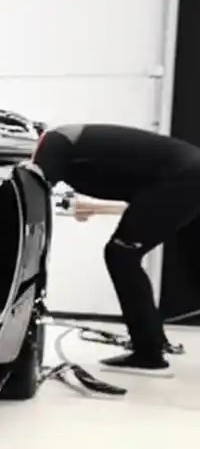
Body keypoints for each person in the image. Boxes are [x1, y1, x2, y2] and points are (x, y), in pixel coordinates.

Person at [29, 124, 200, 375]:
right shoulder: (74, 141)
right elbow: (143, 192)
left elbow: (34, 192)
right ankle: (153, 342)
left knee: (121, 255)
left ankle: (149, 355)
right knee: (130, 255)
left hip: (184, 178)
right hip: (184, 178)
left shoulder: (53, 143)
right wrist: (91, 208)